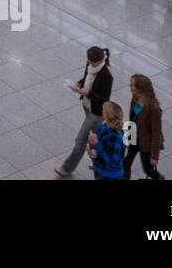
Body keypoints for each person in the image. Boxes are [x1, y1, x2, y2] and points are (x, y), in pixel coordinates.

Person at [56, 46, 113, 177]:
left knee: (80, 141)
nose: (87, 60)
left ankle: (66, 168)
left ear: (97, 60)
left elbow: (105, 99)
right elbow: (87, 77)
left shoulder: (106, 76)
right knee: (95, 139)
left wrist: (88, 93)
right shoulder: (90, 65)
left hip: (95, 114)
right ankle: (100, 161)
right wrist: (79, 83)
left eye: (89, 59)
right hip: (87, 107)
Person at [122, 75, 165, 180]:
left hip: (146, 142)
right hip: (135, 137)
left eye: (132, 85)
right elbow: (133, 118)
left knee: (148, 170)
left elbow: (156, 133)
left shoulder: (154, 109)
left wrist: (154, 156)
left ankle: (159, 178)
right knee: (126, 163)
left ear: (140, 88)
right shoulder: (136, 98)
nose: (130, 86)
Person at [88, 102, 126, 180]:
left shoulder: (116, 137)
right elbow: (95, 150)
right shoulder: (104, 127)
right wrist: (91, 149)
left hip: (109, 175)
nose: (101, 111)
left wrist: (96, 144)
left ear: (107, 116)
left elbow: (113, 165)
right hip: (99, 168)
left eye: (103, 110)